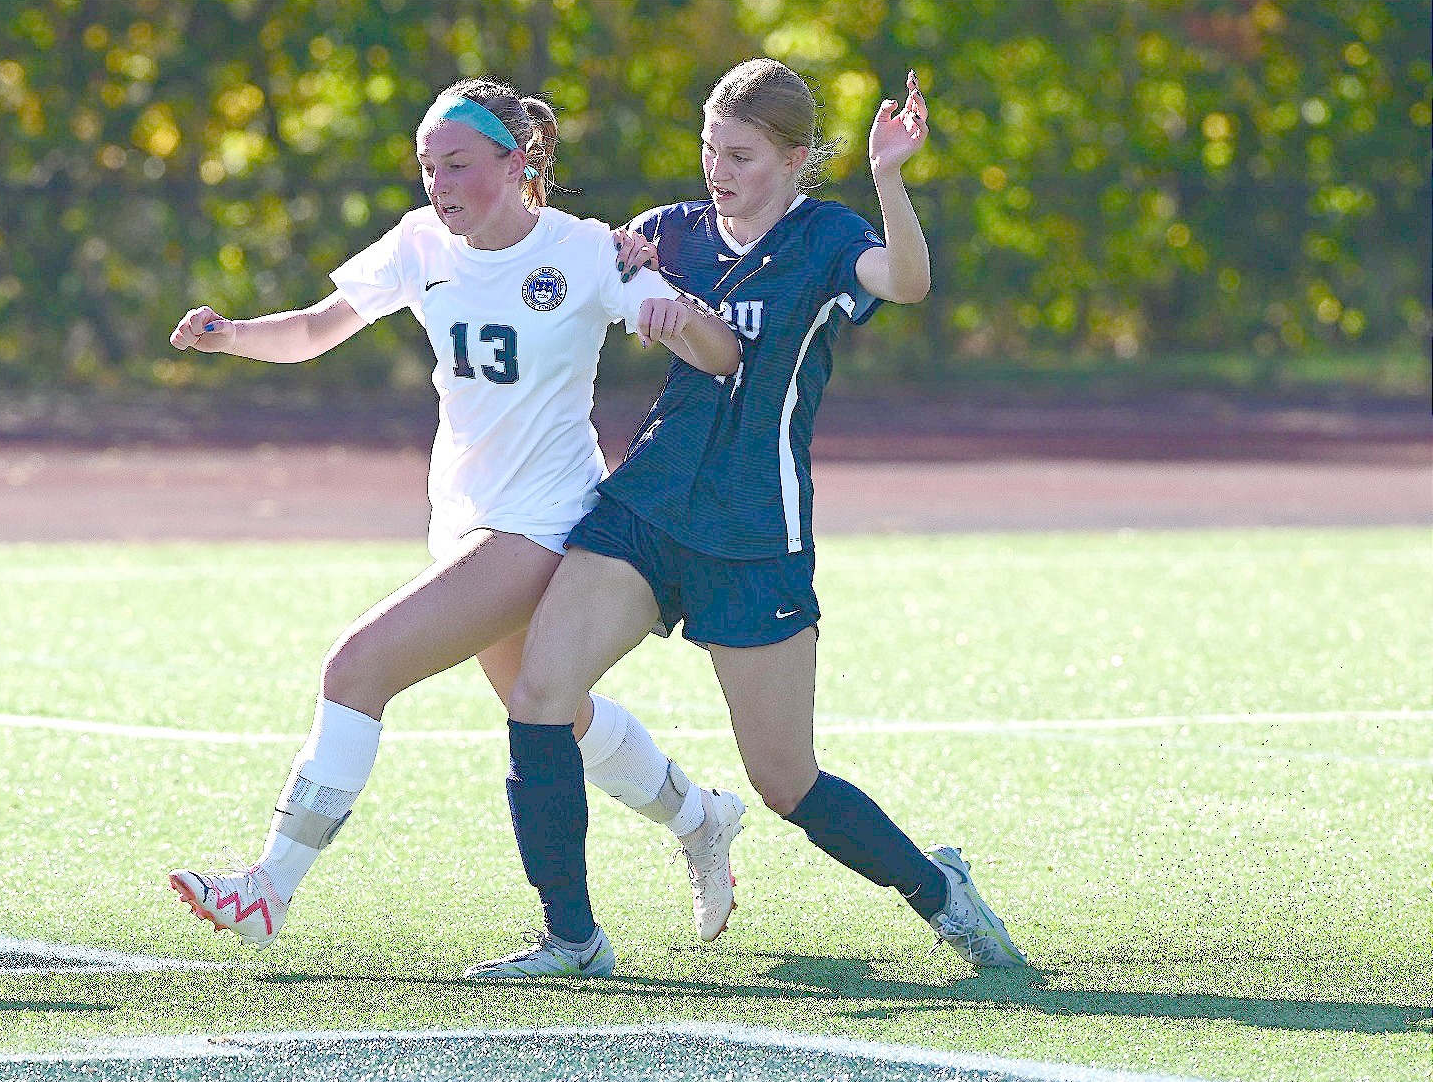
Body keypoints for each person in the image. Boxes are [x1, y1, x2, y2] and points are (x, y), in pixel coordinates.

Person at [162, 78, 748, 962]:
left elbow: (718, 353)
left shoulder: (587, 252)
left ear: (518, 165)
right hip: (464, 520)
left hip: (544, 524)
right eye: (428, 166)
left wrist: (681, 319)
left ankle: (269, 885)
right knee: (551, 712)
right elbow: (319, 328)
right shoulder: (420, 242)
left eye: (458, 165)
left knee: (356, 667)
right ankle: (701, 815)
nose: (439, 183)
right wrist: (232, 334)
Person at [472, 62, 1028, 979]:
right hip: (644, 507)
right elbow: (558, 267)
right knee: (538, 695)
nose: (716, 169)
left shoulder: (825, 238)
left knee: (785, 780)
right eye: (707, 148)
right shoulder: (667, 232)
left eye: (740, 154)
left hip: (753, 533)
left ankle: (939, 890)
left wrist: (890, 174)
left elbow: (910, 281)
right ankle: (572, 937)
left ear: (796, 157)